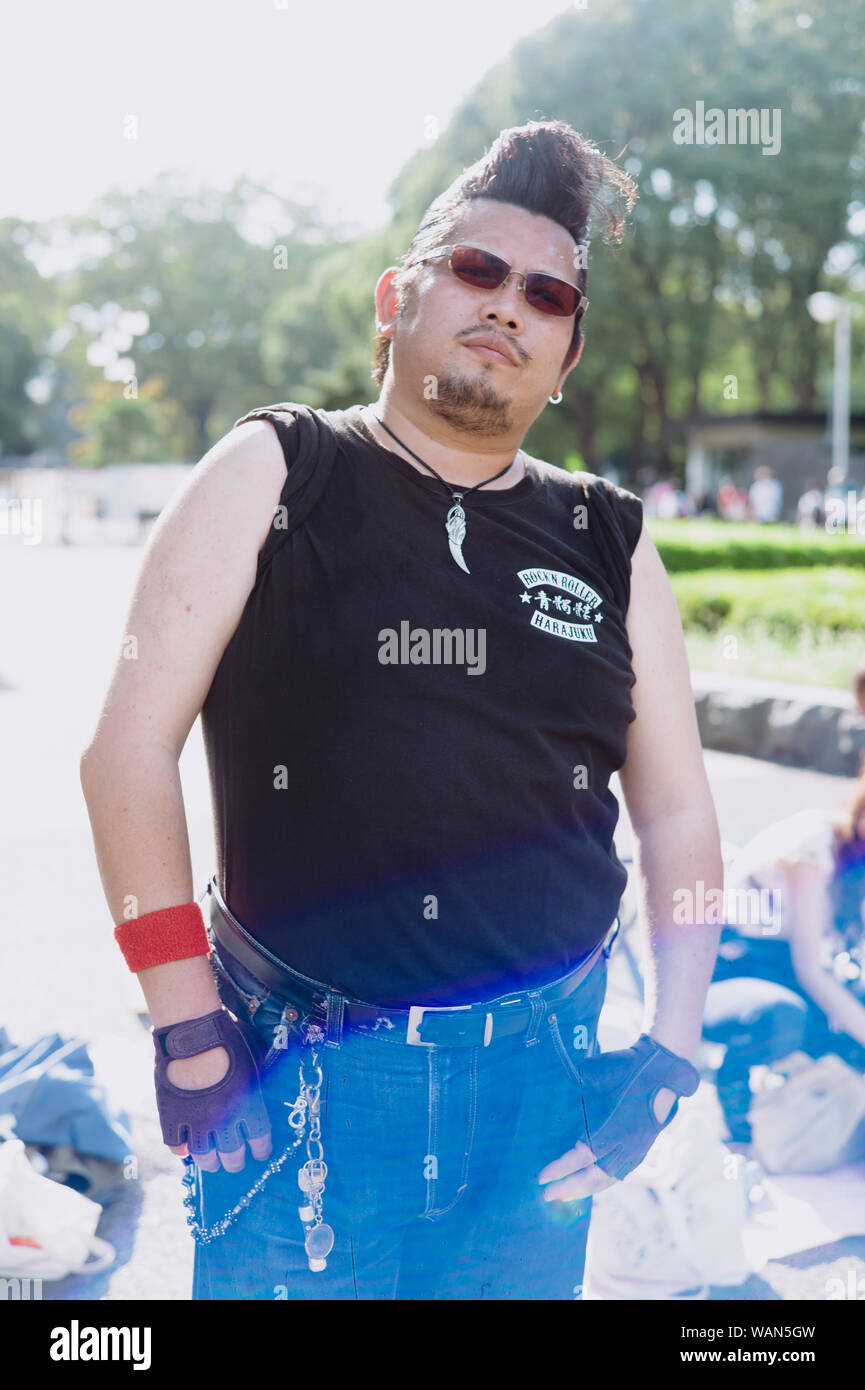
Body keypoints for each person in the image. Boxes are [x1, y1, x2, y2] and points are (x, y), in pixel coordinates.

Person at [79, 120, 722, 1301]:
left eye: (545, 293)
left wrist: (674, 1050)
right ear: (397, 295)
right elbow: (126, 754)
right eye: (474, 271)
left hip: (546, 1096)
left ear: (568, 350)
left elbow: (677, 810)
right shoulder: (277, 471)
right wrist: (185, 1026)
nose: (506, 306)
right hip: (294, 1092)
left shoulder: (611, 540)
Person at [703, 770, 865, 1143]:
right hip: (725, 971)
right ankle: (735, 1095)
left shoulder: (855, 862)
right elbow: (810, 969)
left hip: (781, 971)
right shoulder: (814, 845)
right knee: (783, 1016)